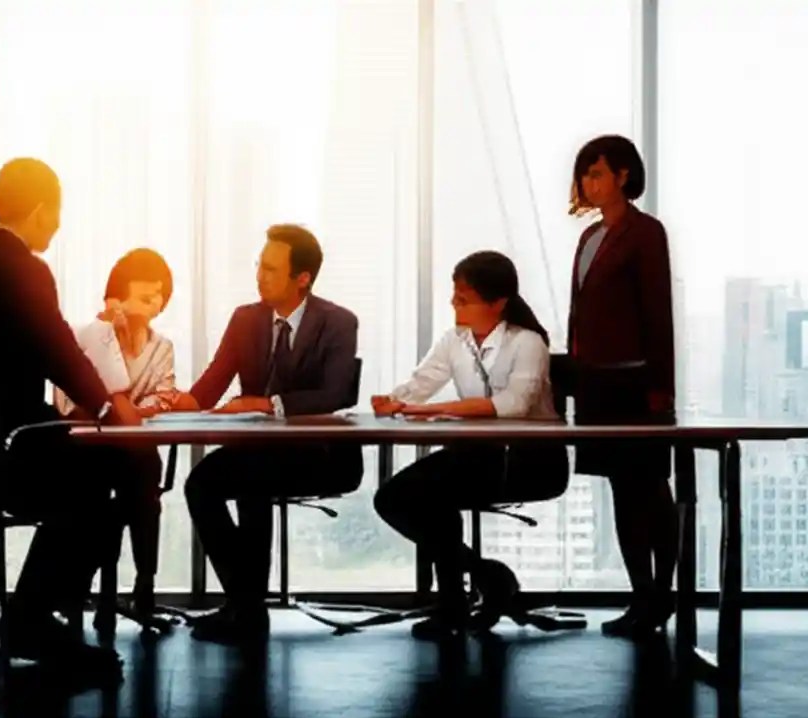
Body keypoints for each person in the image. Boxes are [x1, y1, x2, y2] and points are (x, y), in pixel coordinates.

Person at [0, 157, 143, 682]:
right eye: (55, 215)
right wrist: (107, 408)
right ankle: (32, 618)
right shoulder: (25, 267)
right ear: (39, 211)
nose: (57, 226)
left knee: (91, 486)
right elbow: (57, 347)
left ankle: (32, 614)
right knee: (118, 483)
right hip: (14, 443)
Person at [370, 251, 568, 639]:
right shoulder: (455, 340)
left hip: (528, 463)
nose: (453, 304)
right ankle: (486, 575)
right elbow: (423, 382)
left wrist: (430, 411)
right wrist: (395, 400)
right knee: (391, 498)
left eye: (464, 298)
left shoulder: (528, 342)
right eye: (454, 296)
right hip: (477, 457)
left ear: (497, 303)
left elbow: (513, 406)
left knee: (433, 494)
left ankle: (453, 604)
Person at [183, 224, 363, 644]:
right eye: (258, 266)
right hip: (256, 451)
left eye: (270, 268)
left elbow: (334, 392)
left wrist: (267, 404)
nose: (259, 276)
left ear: (303, 278)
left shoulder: (338, 322)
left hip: (318, 456)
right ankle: (245, 602)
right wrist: (166, 403)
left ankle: (244, 609)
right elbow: (210, 386)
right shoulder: (246, 319)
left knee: (251, 483)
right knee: (202, 485)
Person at [566, 134, 677, 637]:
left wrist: (661, 385)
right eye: (584, 174)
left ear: (623, 176)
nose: (588, 183)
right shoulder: (589, 237)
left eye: (597, 173)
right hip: (597, 384)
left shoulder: (645, 232)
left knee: (651, 489)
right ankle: (642, 598)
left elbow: (657, 314)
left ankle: (664, 593)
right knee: (621, 491)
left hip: (636, 381)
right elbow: (580, 314)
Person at [52, 249, 197, 627]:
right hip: (90, 452)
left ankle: (143, 585)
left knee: (142, 482)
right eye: (146, 291)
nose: (156, 299)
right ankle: (89, 590)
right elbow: (67, 399)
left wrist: (125, 407)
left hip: (136, 451)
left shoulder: (161, 346)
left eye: (161, 293)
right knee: (104, 494)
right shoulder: (90, 335)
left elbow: (163, 396)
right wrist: (113, 341)